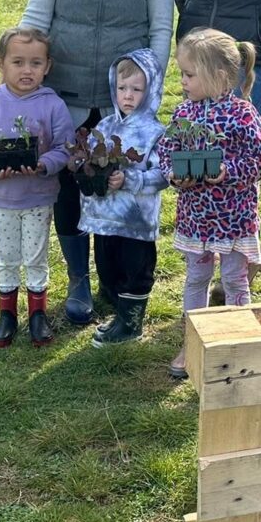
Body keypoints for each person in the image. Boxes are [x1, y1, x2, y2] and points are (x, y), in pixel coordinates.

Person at [23, 0, 175, 327]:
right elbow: (36, 16)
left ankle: (114, 278)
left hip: (121, 101)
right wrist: (25, 84)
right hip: (66, 93)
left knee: (114, 186)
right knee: (70, 186)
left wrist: (148, 93)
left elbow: (159, 29)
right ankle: (78, 281)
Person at [156, 28, 261, 380]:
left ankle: (237, 343)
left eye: (189, 74)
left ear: (219, 76)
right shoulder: (183, 114)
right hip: (197, 218)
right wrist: (174, 176)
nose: (183, 80)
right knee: (196, 279)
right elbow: (166, 153)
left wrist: (228, 171)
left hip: (234, 218)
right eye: (182, 73)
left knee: (236, 281)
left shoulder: (242, 115)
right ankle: (194, 344)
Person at [0, 26, 76, 348]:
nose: (27, 70)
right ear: (0, 64)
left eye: (36, 63)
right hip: (2, 198)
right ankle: (7, 314)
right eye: (18, 62)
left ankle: (38, 314)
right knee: (7, 256)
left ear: (48, 66)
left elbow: (64, 146)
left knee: (36, 255)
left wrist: (44, 165)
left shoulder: (52, 105)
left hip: (39, 196)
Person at [77, 49, 168, 347]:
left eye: (136, 89)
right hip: (104, 218)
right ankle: (119, 315)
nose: (127, 95)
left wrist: (130, 178)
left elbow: (163, 175)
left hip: (135, 221)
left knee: (135, 270)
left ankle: (130, 325)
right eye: (122, 88)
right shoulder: (104, 127)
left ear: (151, 90)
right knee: (108, 266)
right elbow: (90, 159)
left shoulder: (154, 132)